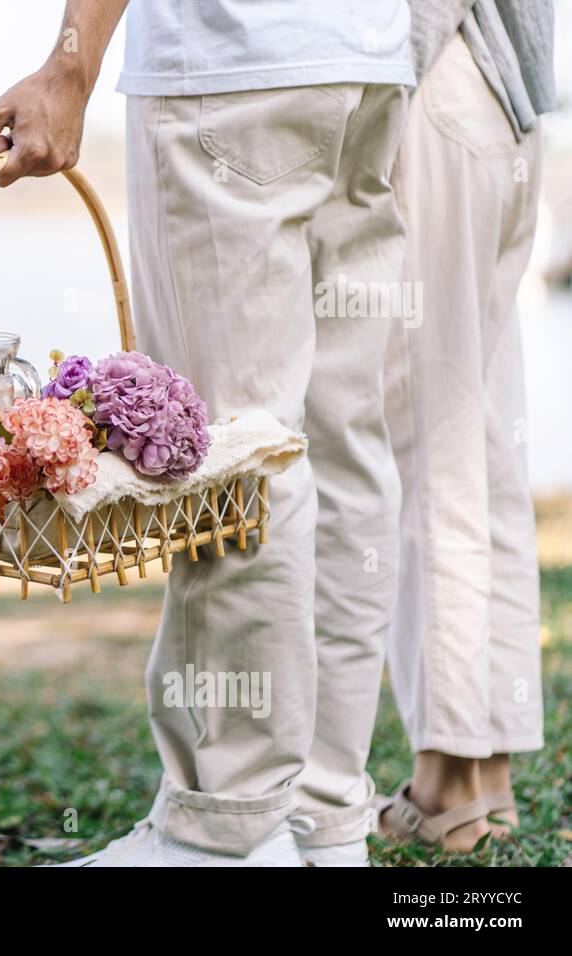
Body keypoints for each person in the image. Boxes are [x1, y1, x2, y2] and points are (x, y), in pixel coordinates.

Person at [0, 0, 416, 865]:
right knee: (340, 444)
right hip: (364, 63)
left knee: (235, 456)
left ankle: (228, 831)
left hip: (233, 66)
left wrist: (70, 63)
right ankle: (321, 820)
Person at [379, 0, 554, 851]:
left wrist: (378, 84)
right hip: (511, 100)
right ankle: (489, 770)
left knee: (430, 445)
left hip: (437, 81)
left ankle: (446, 779)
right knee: (481, 445)